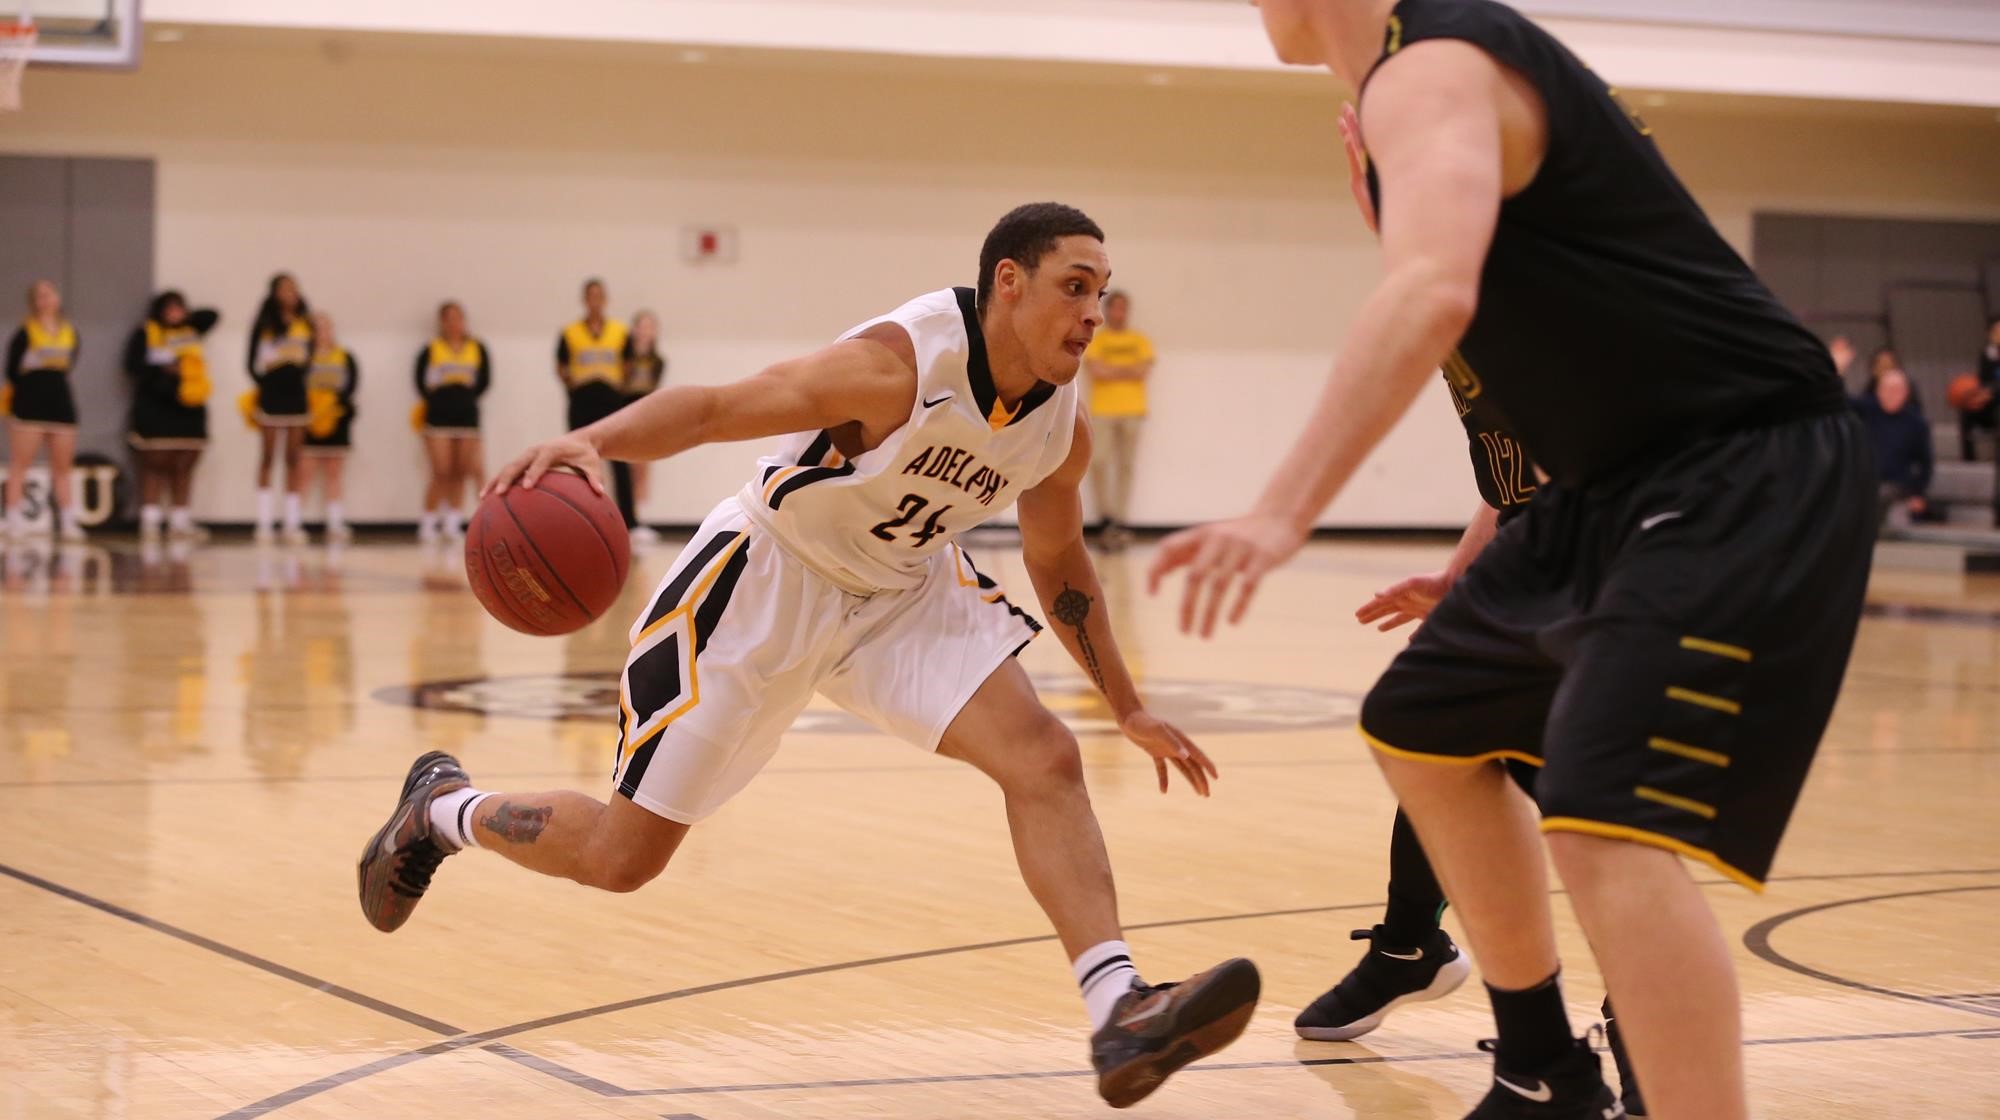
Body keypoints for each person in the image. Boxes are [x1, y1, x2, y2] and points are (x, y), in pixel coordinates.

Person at [358, 203, 1260, 1109]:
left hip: (902, 590)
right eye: (1075, 288)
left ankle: (1121, 1008)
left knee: (1045, 757)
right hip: (765, 582)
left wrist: (1128, 705)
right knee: (621, 858)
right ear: (1008, 284)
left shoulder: (1059, 427)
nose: (1094, 312)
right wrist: (595, 441)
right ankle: (442, 810)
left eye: (1102, 292)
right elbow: (717, 409)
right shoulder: (895, 368)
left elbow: (1058, 557)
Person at [1153, 5, 1873, 1119]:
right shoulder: (1405, 94)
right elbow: (1533, 337)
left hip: (1735, 462)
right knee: (1423, 723)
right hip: (1601, 484)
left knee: (1599, 822)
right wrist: (1483, 563)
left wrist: (1280, 510)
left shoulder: (1431, 67)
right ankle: (1541, 1069)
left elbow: (1432, 295)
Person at [1288, 98, 1647, 1120]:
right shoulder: (1459, 286)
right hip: (1546, 554)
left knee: (1586, 816)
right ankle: (1431, 960)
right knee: (1428, 724)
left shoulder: (1563, 286)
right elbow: (1511, 477)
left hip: (1633, 561)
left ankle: (1624, 1040)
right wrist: (1460, 578)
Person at [124, 290, 220, 541]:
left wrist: (185, 318)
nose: (174, 312)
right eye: (169, 308)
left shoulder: (190, 331)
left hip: (189, 407)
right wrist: (163, 366)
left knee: (185, 465)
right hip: (156, 405)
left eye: (179, 307)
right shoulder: (147, 332)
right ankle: (150, 521)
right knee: (154, 465)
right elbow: (132, 366)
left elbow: (211, 316)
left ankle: (180, 521)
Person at [4, 280, 88, 541]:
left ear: (58, 298)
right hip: (30, 402)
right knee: (20, 464)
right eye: (40, 295)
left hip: (60, 402)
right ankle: (14, 519)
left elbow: (70, 363)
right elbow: (11, 370)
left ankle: (68, 521)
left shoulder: (70, 331)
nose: (46, 299)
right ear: (33, 302)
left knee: (63, 466)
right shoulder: (25, 332)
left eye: (50, 293)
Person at [556, 279, 636, 528]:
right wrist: (574, 384)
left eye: (599, 295)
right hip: (582, 399)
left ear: (605, 299)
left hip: (610, 399)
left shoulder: (620, 331)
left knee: (621, 460)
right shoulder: (570, 332)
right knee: (579, 459)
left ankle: (629, 522)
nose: (595, 300)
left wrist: (617, 385)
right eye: (590, 295)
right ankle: (580, 516)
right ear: (584, 300)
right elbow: (561, 367)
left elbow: (628, 365)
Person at [1081, 290, 1153, 547]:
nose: (1119, 313)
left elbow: (1143, 371)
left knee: (1126, 466)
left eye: (1124, 309)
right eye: (1115, 308)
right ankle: (1106, 517)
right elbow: (1096, 371)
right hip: (1103, 410)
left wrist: (1113, 369)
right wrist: (1127, 370)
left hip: (1133, 410)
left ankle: (1121, 519)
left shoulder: (1139, 340)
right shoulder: (1097, 340)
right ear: (1108, 310)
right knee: (1099, 462)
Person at [415, 301, 492, 542]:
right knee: (441, 471)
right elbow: (420, 382)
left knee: (462, 471)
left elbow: (485, 381)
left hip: (467, 415)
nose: (454, 322)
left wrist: (463, 396)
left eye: (458, 317)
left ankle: (452, 522)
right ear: (442, 322)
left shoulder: (477, 348)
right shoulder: (431, 348)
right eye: (448, 318)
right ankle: (428, 521)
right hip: (439, 416)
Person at [248, 273, 315, 543]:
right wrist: (264, 385)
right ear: (274, 292)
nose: (291, 293)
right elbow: (250, 361)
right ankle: (263, 522)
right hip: (271, 395)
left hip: (296, 395)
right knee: (267, 455)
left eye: (294, 289)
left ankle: (292, 521)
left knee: (294, 458)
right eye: (285, 289)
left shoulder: (304, 323)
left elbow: (310, 359)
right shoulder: (264, 324)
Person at [302, 312, 361, 543]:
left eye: (327, 327)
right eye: (318, 328)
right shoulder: (305, 357)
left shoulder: (344, 357)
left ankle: (335, 523)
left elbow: (351, 386)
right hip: (311, 420)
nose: (323, 332)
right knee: (304, 472)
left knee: (334, 471)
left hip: (335, 418)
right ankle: (295, 522)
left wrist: (334, 405)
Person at [1858, 369, 1935, 529]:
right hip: (1865, 486)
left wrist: (1918, 494)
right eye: (1887, 389)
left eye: (1897, 389)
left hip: (1899, 491)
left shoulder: (1916, 423)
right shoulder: (1866, 412)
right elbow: (1840, 403)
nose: (1892, 394)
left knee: (1895, 522)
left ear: (1906, 392)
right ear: (1878, 391)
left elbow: (1926, 463)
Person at [622, 309, 667, 545]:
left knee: (641, 471)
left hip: (645, 417)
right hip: (625, 414)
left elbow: (650, 388)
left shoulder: (657, 361)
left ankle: (637, 520)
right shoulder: (625, 357)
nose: (645, 331)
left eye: (650, 326)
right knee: (623, 470)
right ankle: (625, 519)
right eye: (642, 326)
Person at [1959, 316, 1999, 462]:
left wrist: (1993, 391)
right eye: (1995, 330)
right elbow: (1983, 380)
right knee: (1967, 410)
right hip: (1989, 401)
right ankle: (1969, 459)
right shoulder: (1987, 353)